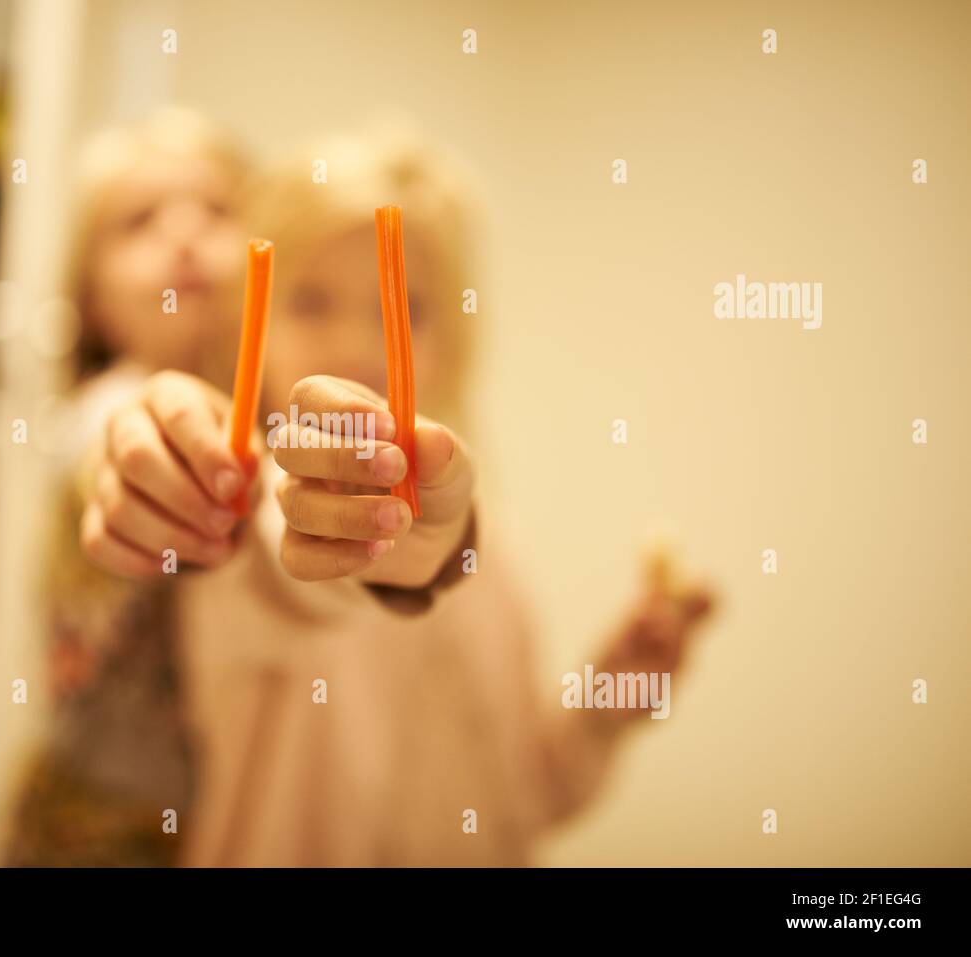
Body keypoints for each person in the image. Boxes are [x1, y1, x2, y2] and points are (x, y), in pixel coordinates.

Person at [78, 130, 715, 866]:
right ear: (248, 326)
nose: (355, 342)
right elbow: (292, 570)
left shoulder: (491, 550)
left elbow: (523, 797)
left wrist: (606, 710)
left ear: (453, 341)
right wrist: (383, 545)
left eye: (401, 308)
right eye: (312, 301)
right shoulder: (241, 513)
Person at [0, 108, 247, 866]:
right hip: (103, 823)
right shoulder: (105, 409)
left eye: (217, 209)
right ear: (96, 302)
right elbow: (116, 442)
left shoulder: (267, 413)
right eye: (139, 220)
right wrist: (143, 456)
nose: (184, 231)